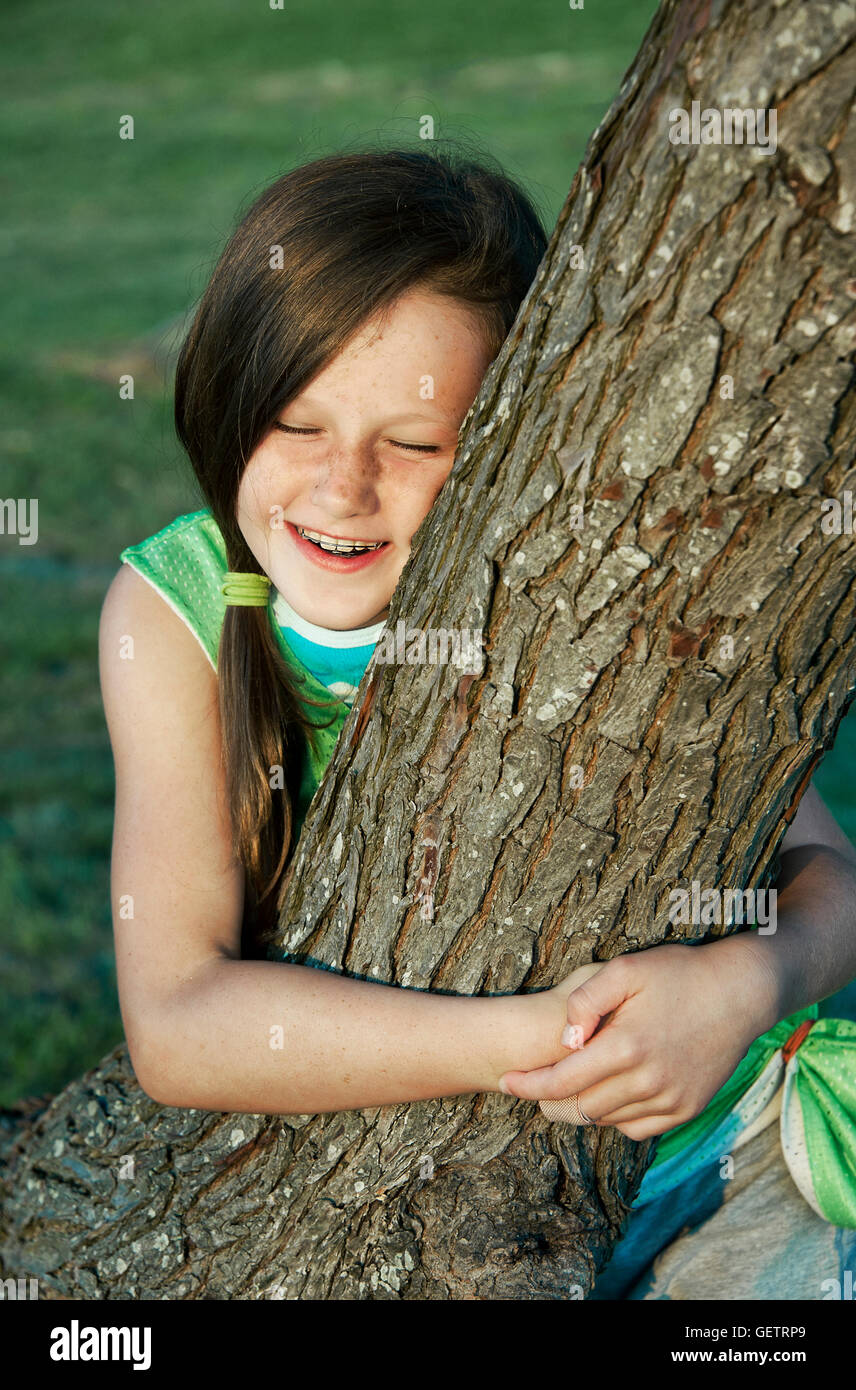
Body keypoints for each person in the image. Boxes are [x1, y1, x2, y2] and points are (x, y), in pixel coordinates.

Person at [99, 145, 856, 1299]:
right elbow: (178, 1025)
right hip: (440, 1207)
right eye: (297, 423)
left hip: (729, 1152)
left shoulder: (599, 590)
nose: (342, 488)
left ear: (516, 453)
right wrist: (539, 1040)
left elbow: (830, 878)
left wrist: (747, 985)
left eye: (413, 444)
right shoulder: (181, 613)